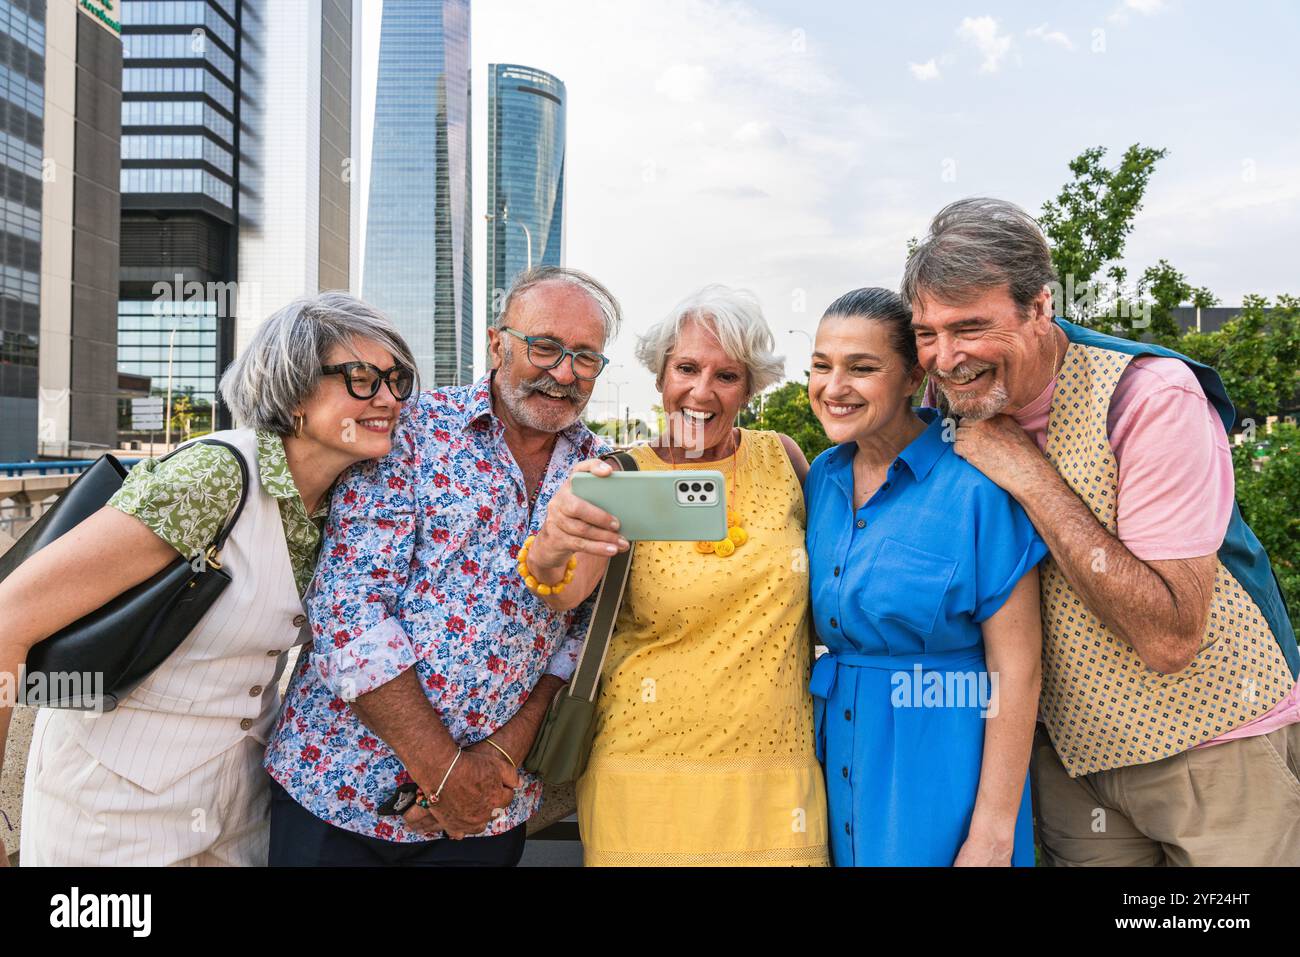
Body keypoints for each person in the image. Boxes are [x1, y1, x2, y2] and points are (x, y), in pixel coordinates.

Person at [906, 197, 1300, 866]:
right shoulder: (943, 410)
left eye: (970, 326)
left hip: (1214, 747)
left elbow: (1169, 635)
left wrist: (1029, 474)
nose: (945, 359)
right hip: (1069, 760)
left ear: (1039, 307)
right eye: (926, 332)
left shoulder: (1151, 397)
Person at [0, 292, 416, 866]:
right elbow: (8, 618)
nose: (390, 399)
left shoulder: (352, 498)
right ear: (293, 390)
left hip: (239, 807)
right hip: (109, 811)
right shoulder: (214, 476)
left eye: (398, 380)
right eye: (363, 379)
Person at [264, 266, 621, 866]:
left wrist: (497, 764)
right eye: (545, 347)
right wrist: (445, 771)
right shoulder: (410, 431)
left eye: (586, 357)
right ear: (497, 342)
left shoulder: (605, 472)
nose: (564, 373)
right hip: (343, 791)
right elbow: (348, 611)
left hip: (488, 811)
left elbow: (581, 637)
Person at [528, 285, 829, 866]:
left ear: (751, 386)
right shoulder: (621, 476)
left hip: (778, 779)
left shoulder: (785, 460)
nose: (701, 391)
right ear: (661, 374)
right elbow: (565, 592)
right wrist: (548, 544)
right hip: (643, 777)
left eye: (727, 376)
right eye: (686, 368)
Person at [803, 287, 1045, 866]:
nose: (834, 388)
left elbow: (1018, 669)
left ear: (914, 376)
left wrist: (992, 832)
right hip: (832, 754)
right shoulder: (820, 479)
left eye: (862, 368)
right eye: (821, 366)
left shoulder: (977, 485)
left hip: (943, 762)